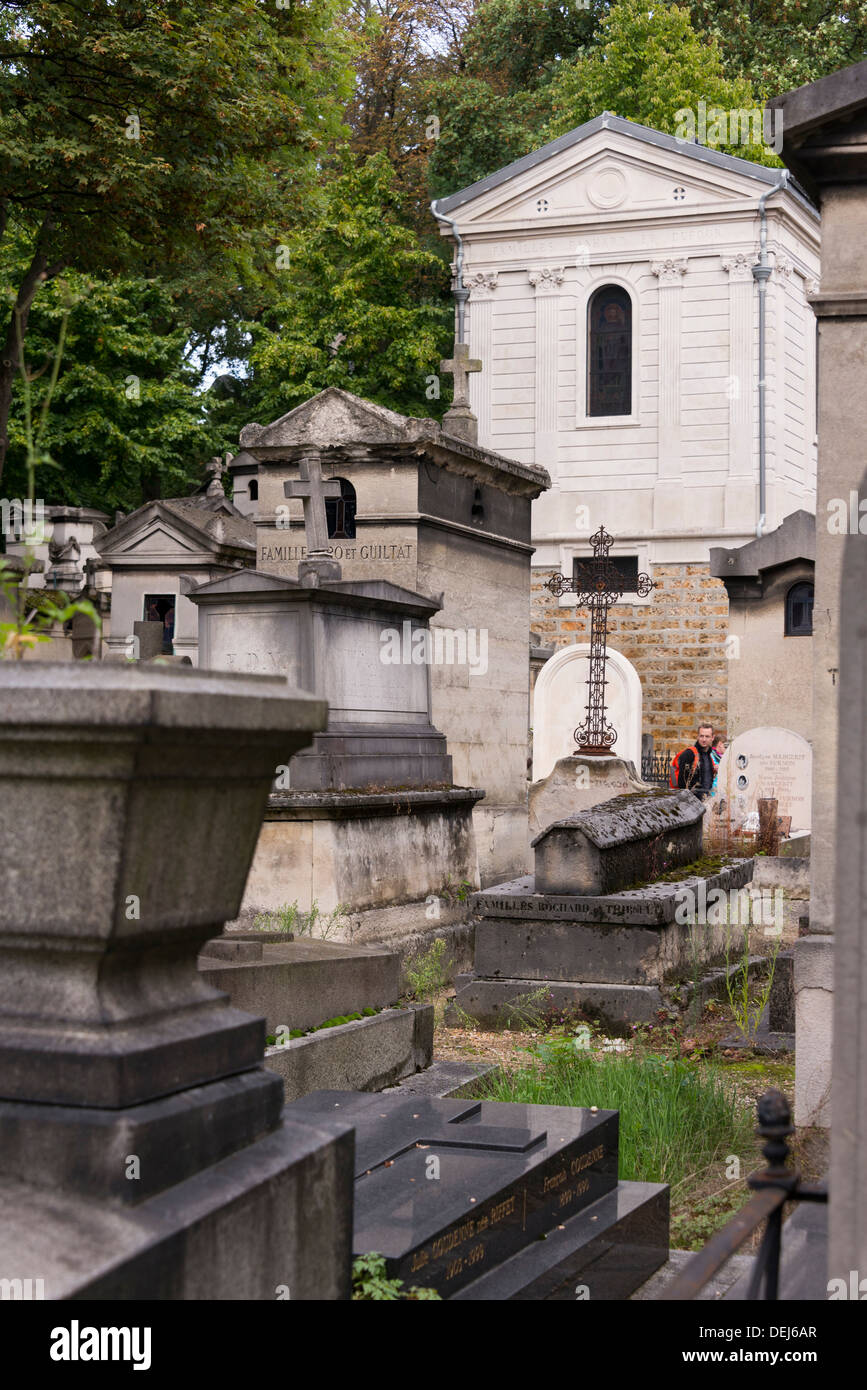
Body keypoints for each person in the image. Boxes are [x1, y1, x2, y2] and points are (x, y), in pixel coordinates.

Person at [669, 723, 717, 801]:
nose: (704, 739)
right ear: (697, 736)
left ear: (712, 738)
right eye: (701, 736)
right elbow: (681, 782)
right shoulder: (689, 754)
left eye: (707, 736)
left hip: (705, 799)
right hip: (690, 801)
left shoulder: (709, 756)